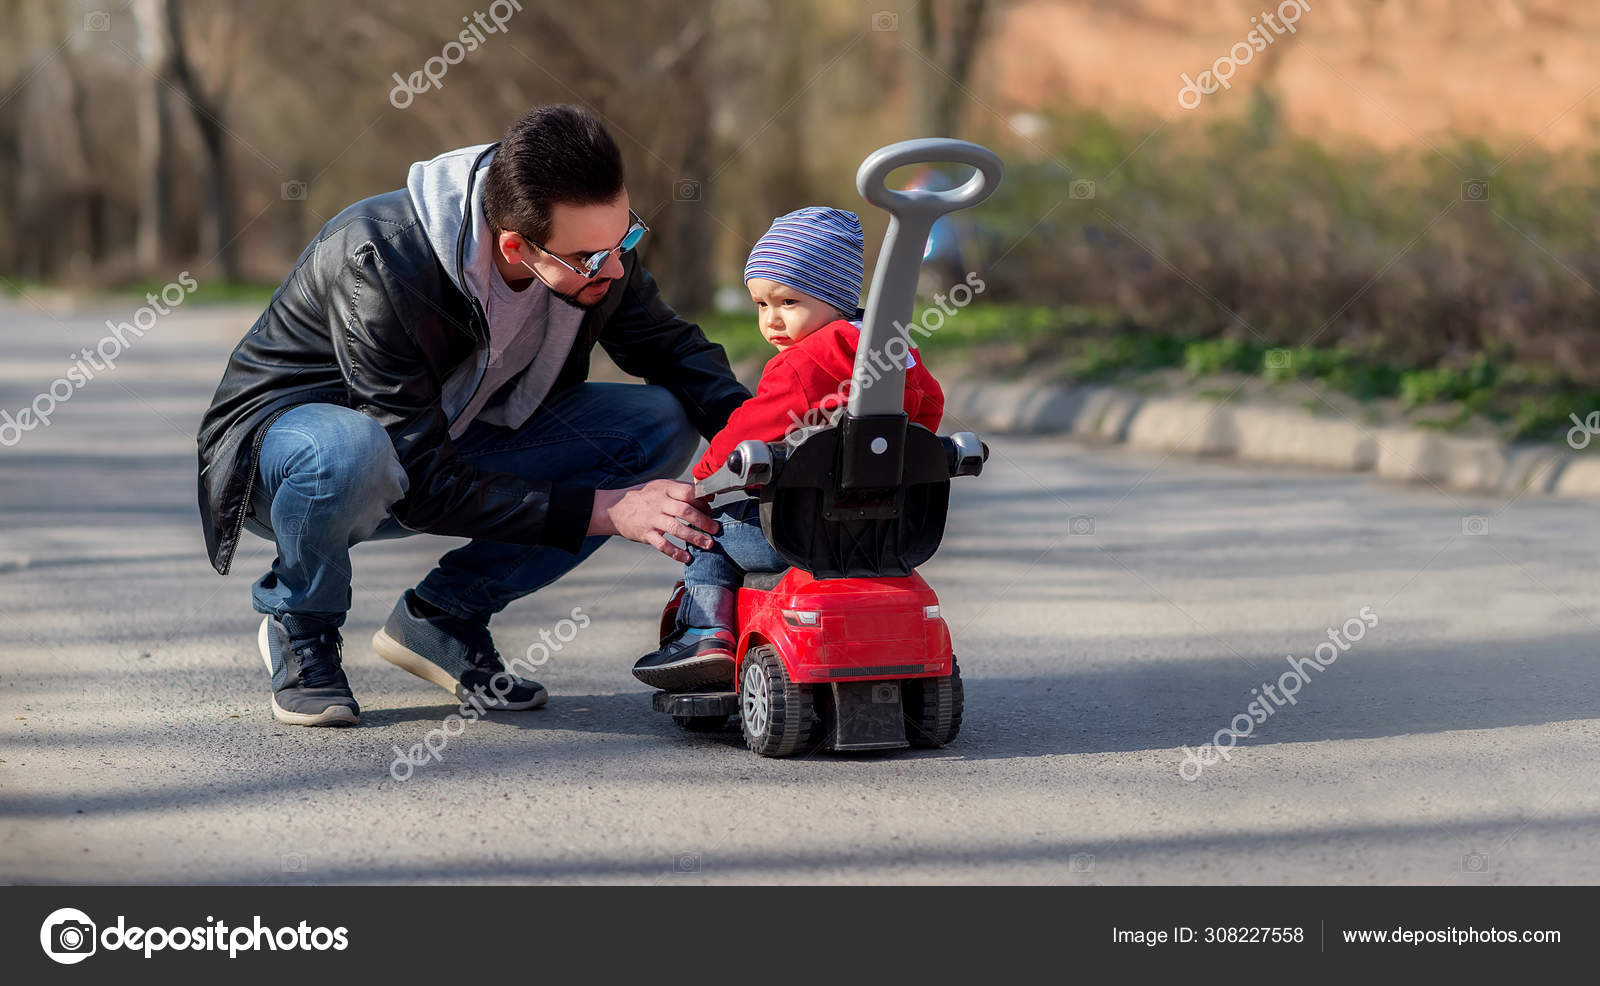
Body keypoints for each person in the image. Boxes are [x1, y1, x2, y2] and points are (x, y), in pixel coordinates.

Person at [195, 104, 749, 726]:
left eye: (627, 238)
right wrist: (609, 510)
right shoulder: (382, 256)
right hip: (295, 458)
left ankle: (443, 618)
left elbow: (673, 350)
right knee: (348, 449)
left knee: (659, 420)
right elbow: (422, 481)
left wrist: (772, 437)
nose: (616, 267)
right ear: (514, 245)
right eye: (594, 258)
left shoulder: (592, 252)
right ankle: (301, 623)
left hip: (446, 438)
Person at [630, 207, 945, 691]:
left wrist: (703, 481)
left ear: (835, 297)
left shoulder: (802, 364)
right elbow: (930, 407)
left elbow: (748, 432)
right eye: (761, 304)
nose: (772, 319)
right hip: (888, 532)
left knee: (708, 532)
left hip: (797, 534)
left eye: (789, 302)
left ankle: (705, 632)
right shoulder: (899, 351)